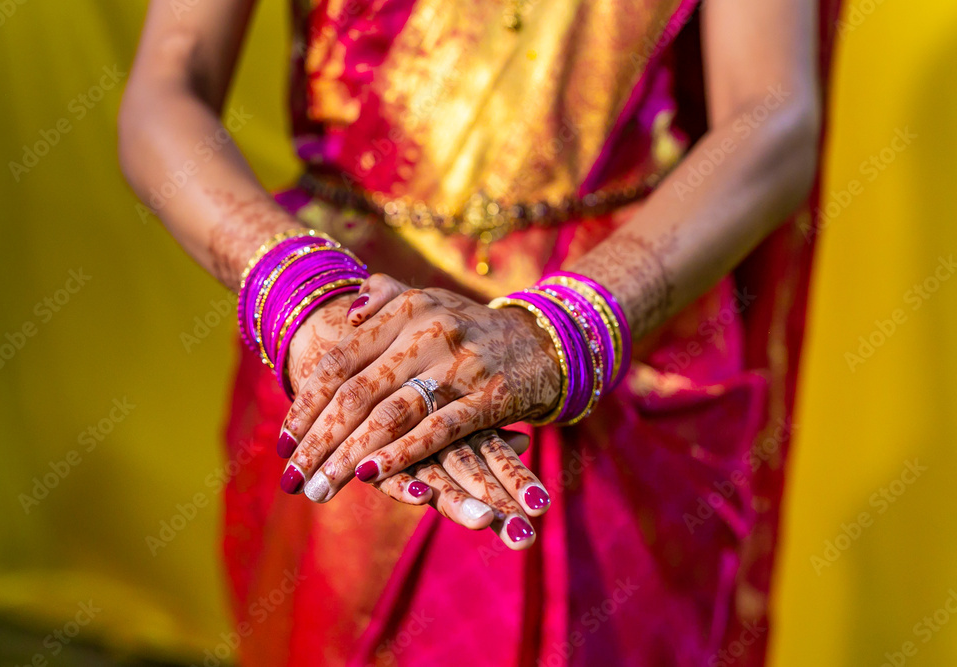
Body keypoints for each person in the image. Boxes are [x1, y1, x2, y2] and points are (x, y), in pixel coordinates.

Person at [118, 0, 842, 664]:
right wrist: (303, 297)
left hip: (631, 345)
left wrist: (560, 332)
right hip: (350, 353)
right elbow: (167, 85)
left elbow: (771, 115)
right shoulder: (330, 327)